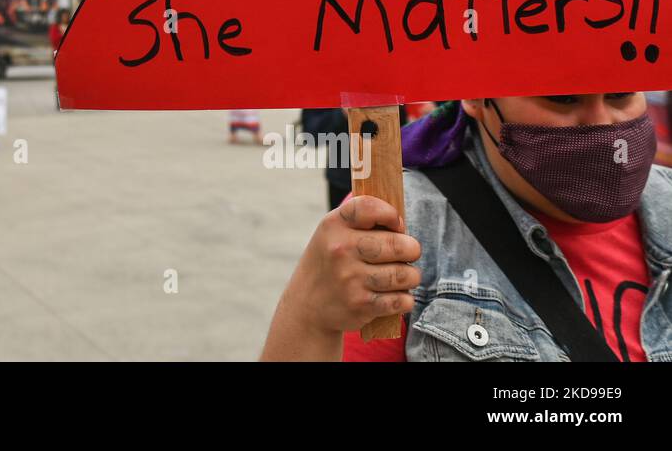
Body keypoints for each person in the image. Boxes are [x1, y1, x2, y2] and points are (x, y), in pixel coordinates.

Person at [261, 93, 672, 362]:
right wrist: (310, 314)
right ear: (477, 95)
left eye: (620, 94)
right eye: (562, 97)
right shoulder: (397, 227)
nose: (601, 123)